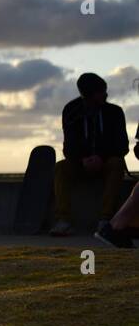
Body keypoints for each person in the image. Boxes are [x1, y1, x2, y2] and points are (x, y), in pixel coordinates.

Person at [51, 72, 127, 237]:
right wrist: (82, 161)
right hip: (80, 164)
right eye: (101, 91)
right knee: (61, 168)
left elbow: (122, 145)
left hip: (106, 163)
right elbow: (68, 145)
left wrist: (101, 157)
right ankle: (64, 221)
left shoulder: (115, 112)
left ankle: (105, 220)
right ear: (90, 94)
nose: (105, 94)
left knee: (117, 164)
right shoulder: (71, 111)